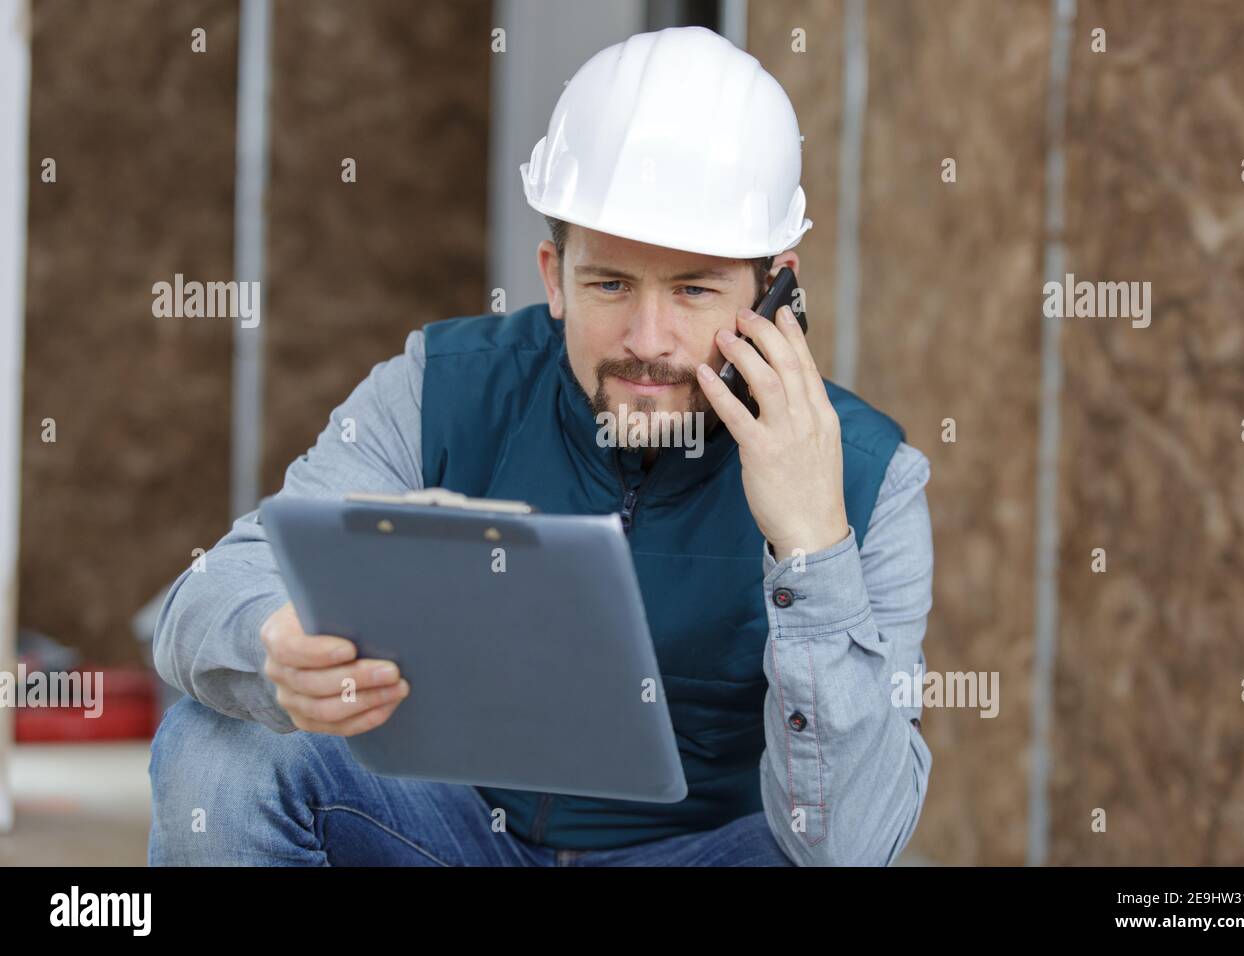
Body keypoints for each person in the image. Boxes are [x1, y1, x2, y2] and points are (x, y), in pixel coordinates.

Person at [149, 25, 933, 867]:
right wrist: (279, 642)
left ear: (777, 290)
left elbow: (852, 847)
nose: (648, 339)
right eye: (610, 284)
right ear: (554, 275)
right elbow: (209, 589)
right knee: (223, 746)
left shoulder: (869, 476)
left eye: (695, 290)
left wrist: (813, 545)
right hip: (453, 841)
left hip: (704, 857)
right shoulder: (444, 387)